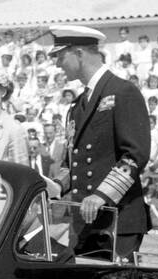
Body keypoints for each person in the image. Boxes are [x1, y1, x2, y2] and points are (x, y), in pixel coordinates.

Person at [49, 25, 151, 260]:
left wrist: (101, 196)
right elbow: (73, 162)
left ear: (79, 53)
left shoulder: (123, 92)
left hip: (117, 219)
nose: (57, 64)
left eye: (60, 56)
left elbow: (135, 155)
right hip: (84, 223)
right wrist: (55, 185)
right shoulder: (77, 105)